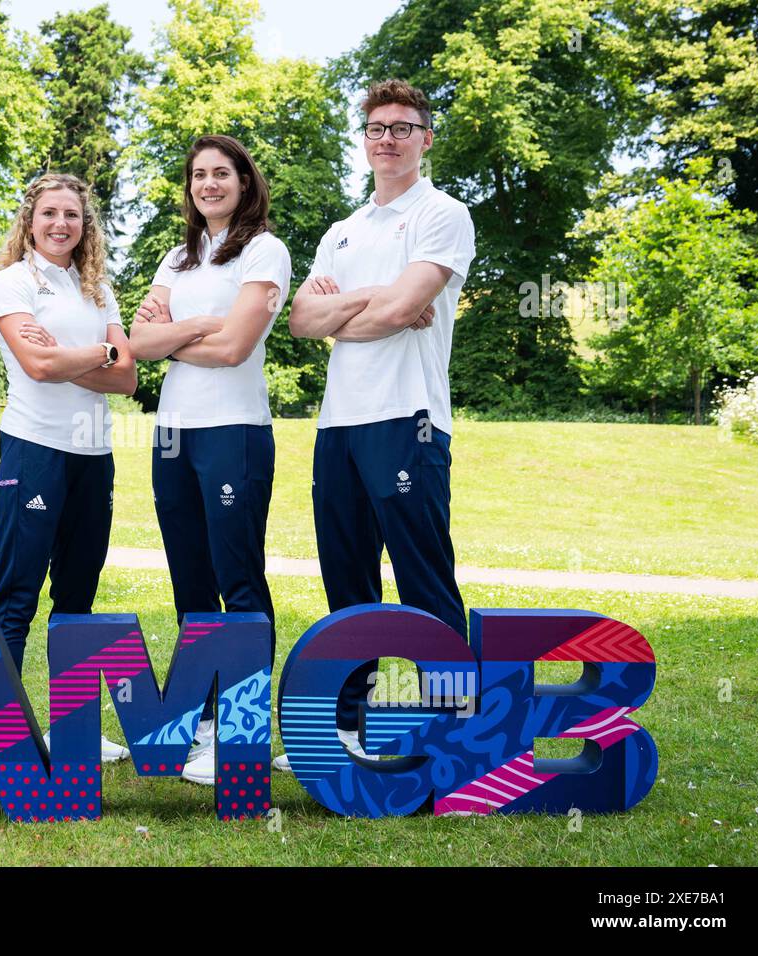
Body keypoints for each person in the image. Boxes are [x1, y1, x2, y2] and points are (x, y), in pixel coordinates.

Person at [280, 79, 475, 771]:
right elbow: (303, 321)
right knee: (348, 582)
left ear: (426, 137)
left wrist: (359, 310)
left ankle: (453, 738)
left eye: (402, 126)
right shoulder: (343, 230)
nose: (387, 137)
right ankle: (354, 730)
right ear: (363, 140)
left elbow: (406, 310)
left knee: (423, 580)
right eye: (376, 127)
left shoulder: (442, 214)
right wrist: (378, 296)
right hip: (338, 426)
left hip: (408, 419)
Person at [129, 135, 292, 786]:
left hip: (233, 430)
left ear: (245, 182)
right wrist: (201, 328)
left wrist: (178, 334)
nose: (208, 183)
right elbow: (137, 342)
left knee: (238, 581)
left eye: (221, 173)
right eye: (198, 174)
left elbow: (235, 348)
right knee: (190, 581)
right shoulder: (178, 254)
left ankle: (241, 729)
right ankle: (197, 721)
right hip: (173, 433)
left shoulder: (264, 250)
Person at [0, 173, 138, 764]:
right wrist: (99, 352)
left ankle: (72, 731)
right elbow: (36, 366)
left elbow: (126, 376)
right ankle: (1, 734)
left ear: (85, 224)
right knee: (17, 595)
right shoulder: (12, 283)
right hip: (35, 450)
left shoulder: (97, 288)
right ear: (31, 220)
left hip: (92, 457)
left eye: (71, 215)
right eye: (49, 213)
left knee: (77, 596)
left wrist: (76, 355)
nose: (60, 224)